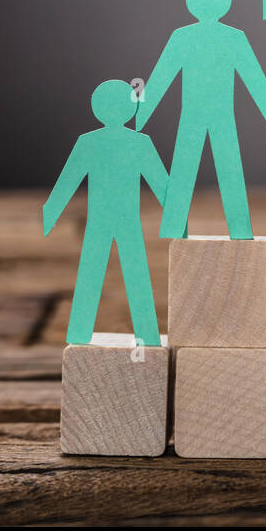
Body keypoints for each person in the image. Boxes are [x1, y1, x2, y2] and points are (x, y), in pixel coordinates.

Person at [136, 0, 266, 239]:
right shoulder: (233, 37)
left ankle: (174, 225)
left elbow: (159, 79)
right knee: (229, 170)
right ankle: (238, 230)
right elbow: (255, 78)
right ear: (225, 3)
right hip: (219, 115)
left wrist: (141, 114)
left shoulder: (183, 36)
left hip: (194, 115)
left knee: (184, 168)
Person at [42, 79, 168, 346]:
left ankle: (80, 333)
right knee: (135, 275)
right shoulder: (139, 142)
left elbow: (67, 182)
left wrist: (50, 213)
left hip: (101, 221)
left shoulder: (89, 142)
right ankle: (147, 336)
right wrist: (178, 215)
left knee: (91, 273)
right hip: (125, 220)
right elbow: (162, 185)